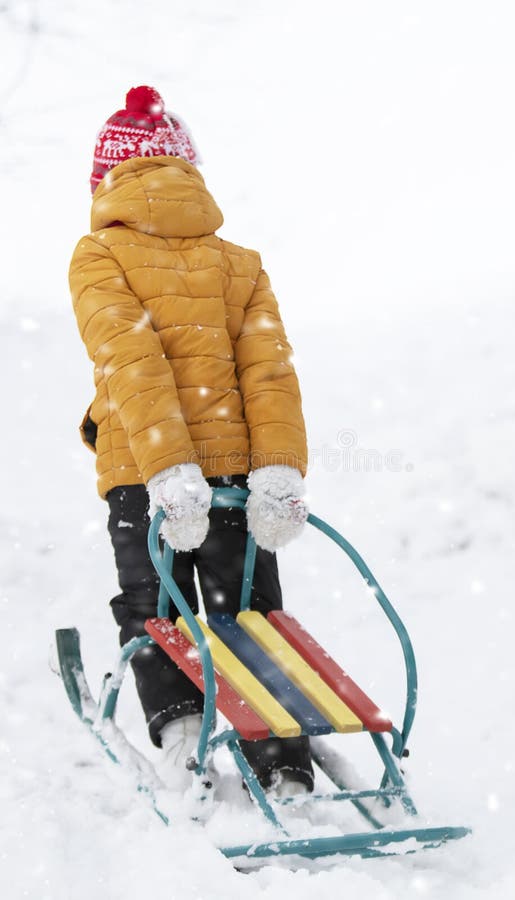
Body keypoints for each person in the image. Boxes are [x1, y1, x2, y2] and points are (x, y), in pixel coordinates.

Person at [69, 85, 313, 796]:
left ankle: (181, 739)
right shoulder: (239, 263)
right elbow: (267, 371)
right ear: (187, 170)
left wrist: (169, 469)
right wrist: (277, 471)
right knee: (250, 614)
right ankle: (282, 762)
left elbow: (132, 360)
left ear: (108, 178)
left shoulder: (97, 255)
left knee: (156, 610)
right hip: (238, 474)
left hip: (146, 474)